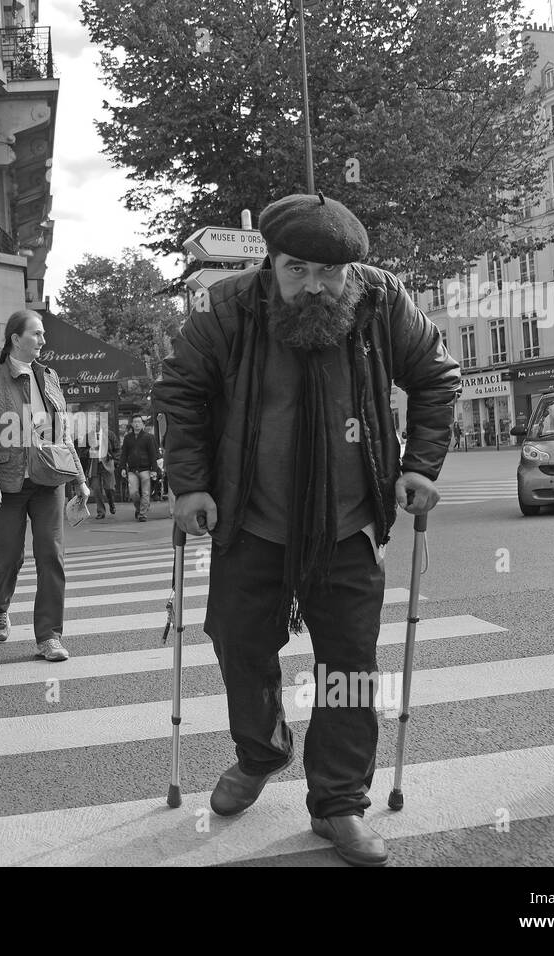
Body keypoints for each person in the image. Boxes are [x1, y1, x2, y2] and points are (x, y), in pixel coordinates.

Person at [153, 191, 460, 866]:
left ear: (352, 269)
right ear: (272, 261)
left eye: (331, 272)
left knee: (348, 667)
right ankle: (260, 751)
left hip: (349, 524)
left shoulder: (381, 302)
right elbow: (180, 390)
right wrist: (191, 484)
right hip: (251, 520)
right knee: (239, 643)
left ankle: (339, 802)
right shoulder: (228, 306)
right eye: (298, 269)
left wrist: (420, 466)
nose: (315, 285)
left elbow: (436, 378)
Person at [0, 309, 92, 662]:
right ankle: (0, 605)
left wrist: (80, 479)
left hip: (49, 481)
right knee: (7, 557)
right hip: (7, 483)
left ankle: (49, 637)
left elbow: (61, 435)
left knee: (51, 556)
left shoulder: (49, 377)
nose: (43, 340)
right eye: (36, 334)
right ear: (15, 339)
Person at [120, 415, 162, 521]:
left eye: (139, 422)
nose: (137, 424)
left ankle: (142, 514)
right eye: (135, 422)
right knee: (133, 492)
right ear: (132, 424)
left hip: (146, 469)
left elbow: (153, 454)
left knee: (146, 493)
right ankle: (139, 508)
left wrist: (154, 470)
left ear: (143, 424)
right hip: (132, 470)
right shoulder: (127, 438)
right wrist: (123, 468)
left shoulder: (148, 437)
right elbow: (124, 454)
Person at [88, 420, 119, 518]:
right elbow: (82, 450)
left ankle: (111, 503)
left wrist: (116, 461)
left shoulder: (109, 434)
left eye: (94, 424)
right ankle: (101, 512)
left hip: (107, 463)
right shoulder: (88, 436)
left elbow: (117, 449)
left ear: (99, 425)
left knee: (109, 488)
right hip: (95, 465)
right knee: (96, 489)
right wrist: (89, 451)